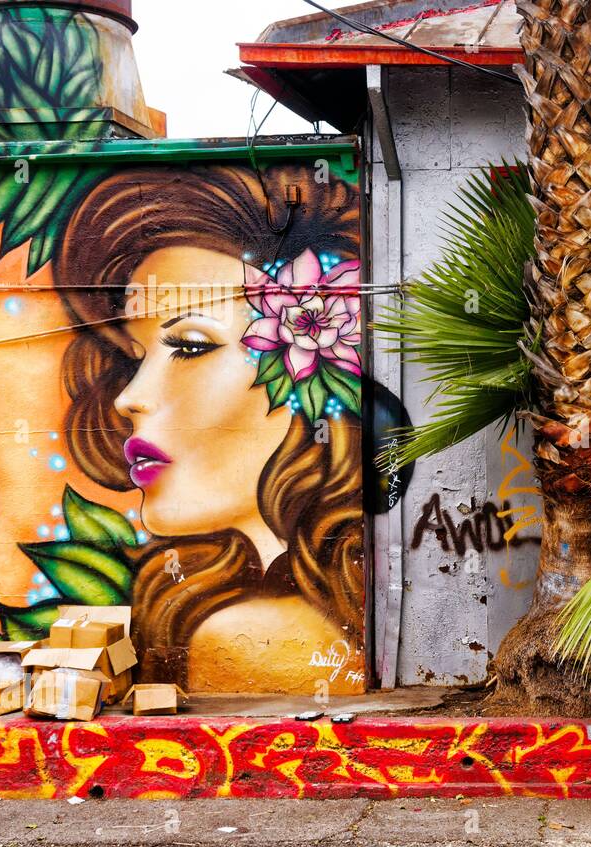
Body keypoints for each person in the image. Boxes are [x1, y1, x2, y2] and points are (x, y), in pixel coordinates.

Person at [54, 164, 365, 693]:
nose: (130, 398)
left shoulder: (244, 634)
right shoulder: (213, 593)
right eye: (137, 357)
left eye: (190, 346)